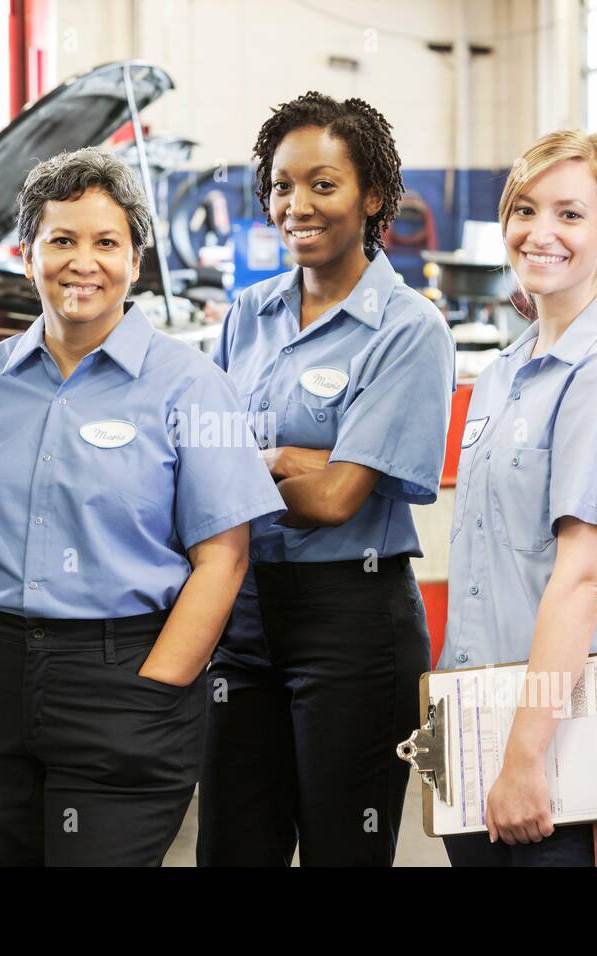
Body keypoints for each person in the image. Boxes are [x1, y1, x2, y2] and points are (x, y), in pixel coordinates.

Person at [0, 148, 284, 867]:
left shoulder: (190, 387)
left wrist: (160, 684)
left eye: (106, 242)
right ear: (27, 253)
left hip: (126, 676)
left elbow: (223, 559)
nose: (83, 262)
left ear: (136, 260)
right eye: (61, 239)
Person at [198, 92, 456, 866]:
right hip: (240, 620)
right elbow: (204, 466)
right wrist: (288, 460)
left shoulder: (409, 330)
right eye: (281, 185)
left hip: (352, 628)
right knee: (233, 850)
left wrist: (264, 459)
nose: (296, 205)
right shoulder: (248, 313)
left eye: (323, 184)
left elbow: (338, 502)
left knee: (346, 850)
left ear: (372, 197)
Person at [439, 130, 597, 866]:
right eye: (524, 208)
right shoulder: (503, 372)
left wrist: (522, 762)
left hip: (561, 740)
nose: (539, 233)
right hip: (479, 721)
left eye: (570, 215)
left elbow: (582, 579)